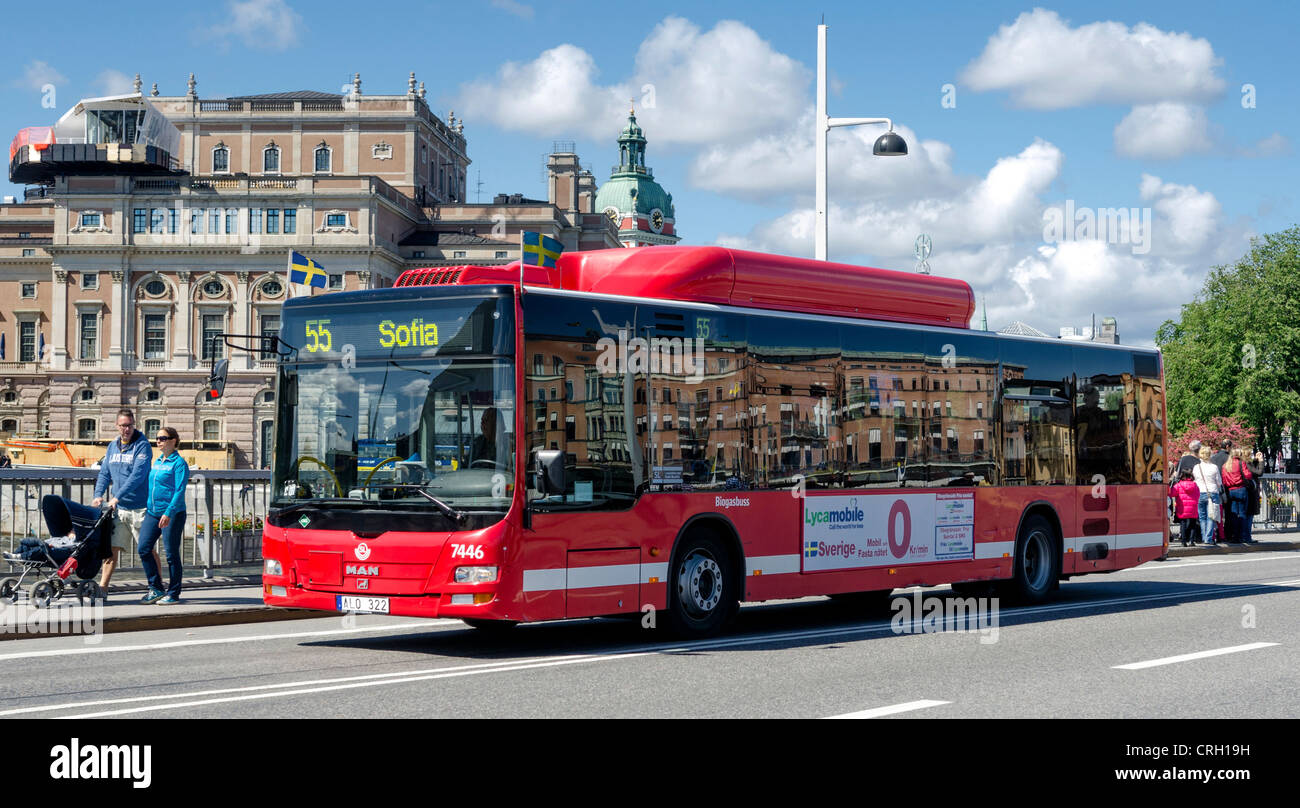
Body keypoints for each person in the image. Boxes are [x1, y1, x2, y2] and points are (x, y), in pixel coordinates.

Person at [91, 409, 153, 597]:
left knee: (146, 550)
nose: (127, 429)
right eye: (123, 425)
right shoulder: (112, 446)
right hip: (118, 509)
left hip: (140, 508)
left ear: (134, 425)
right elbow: (104, 473)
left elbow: (138, 476)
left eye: (130, 425)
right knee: (110, 550)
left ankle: (156, 586)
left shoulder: (142, 446)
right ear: (117, 426)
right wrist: (98, 494)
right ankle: (103, 588)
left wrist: (117, 496)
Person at [137, 427, 190, 604]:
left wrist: (168, 512)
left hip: (172, 513)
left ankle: (173, 593)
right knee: (143, 548)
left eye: (163, 438)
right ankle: (156, 588)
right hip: (153, 512)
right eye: (157, 438)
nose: (158, 441)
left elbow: (179, 490)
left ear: (173, 440)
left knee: (171, 554)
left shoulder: (179, 463)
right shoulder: (158, 461)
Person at [1192, 445, 1223, 546]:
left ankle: (1204, 536)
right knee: (1211, 516)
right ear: (1210, 455)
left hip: (1200, 492)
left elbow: (1195, 479)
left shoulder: (1197, 467)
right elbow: (1219, 482)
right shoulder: (1214, 467)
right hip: (1212, 492)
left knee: (1202, 517)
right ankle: (1208, 538)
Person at [1169, 470, 1201, 547]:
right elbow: (1198, 495)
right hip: (1193, 507)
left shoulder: (1178, 485)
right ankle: (1192, 541)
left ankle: (1184, 541)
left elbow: (1172, 493)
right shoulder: (1195, 485)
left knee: (1183, 524)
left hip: (1182, 507)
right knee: (1193, 524)